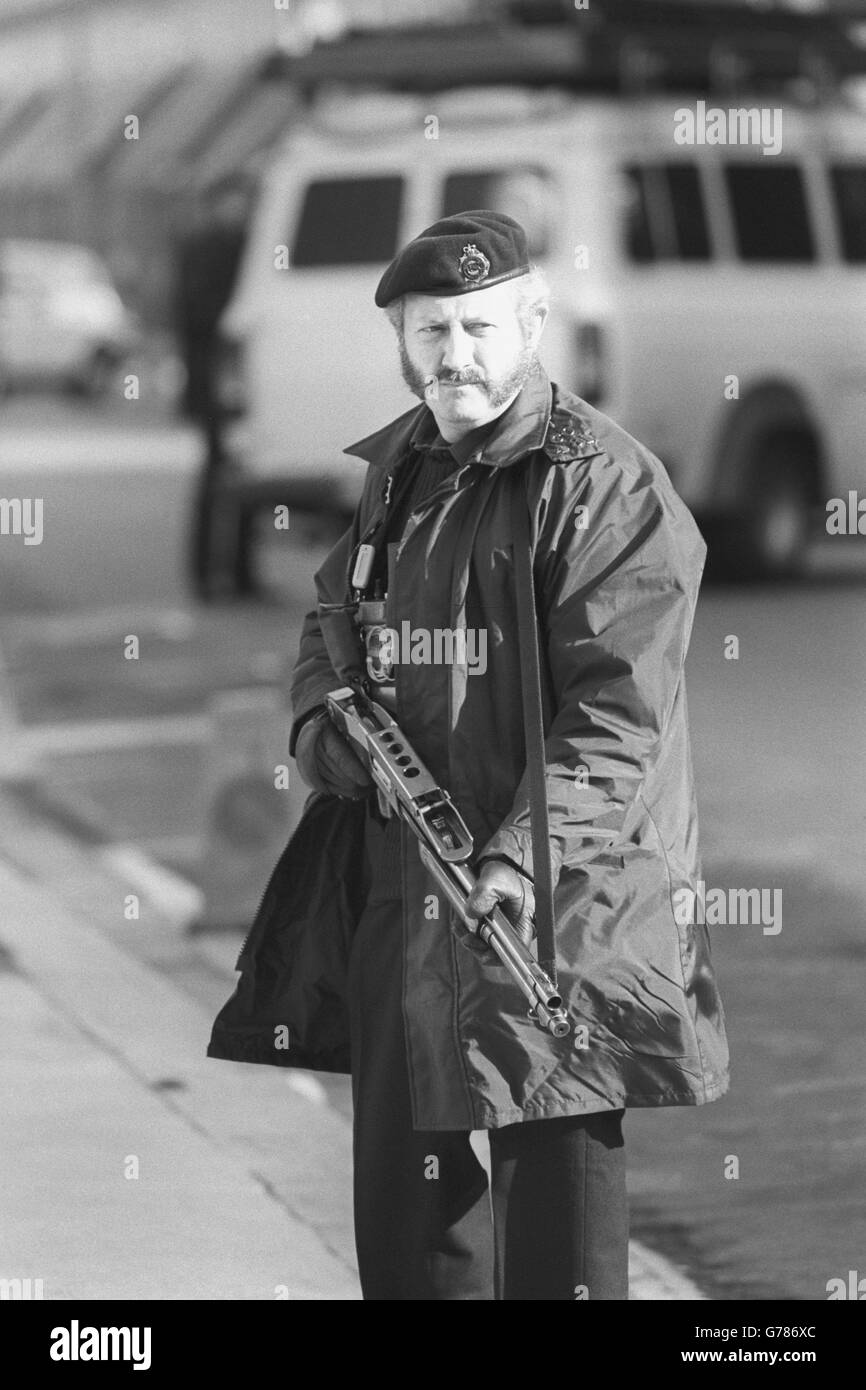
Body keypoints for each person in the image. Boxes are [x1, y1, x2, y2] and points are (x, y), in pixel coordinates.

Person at [208, 210, 729, 1300]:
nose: (454, 355)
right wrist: (322, 732)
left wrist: (512, 858)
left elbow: (617, 713)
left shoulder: (605, 486)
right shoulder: (401, 463)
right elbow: (329, 621)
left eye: (479, 327)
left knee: (559, 1233)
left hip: (557, 901)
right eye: (430, 330)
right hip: (408, 893)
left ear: (533, 319)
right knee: (412, 1225)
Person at [173, 180, 251, 600]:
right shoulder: (203, 248)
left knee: (244, 478)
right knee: (216, 478)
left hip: (237, 382)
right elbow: (196, 314)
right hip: (214, 382)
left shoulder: (246, 244)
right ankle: (206, 577)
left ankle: (240, 576)